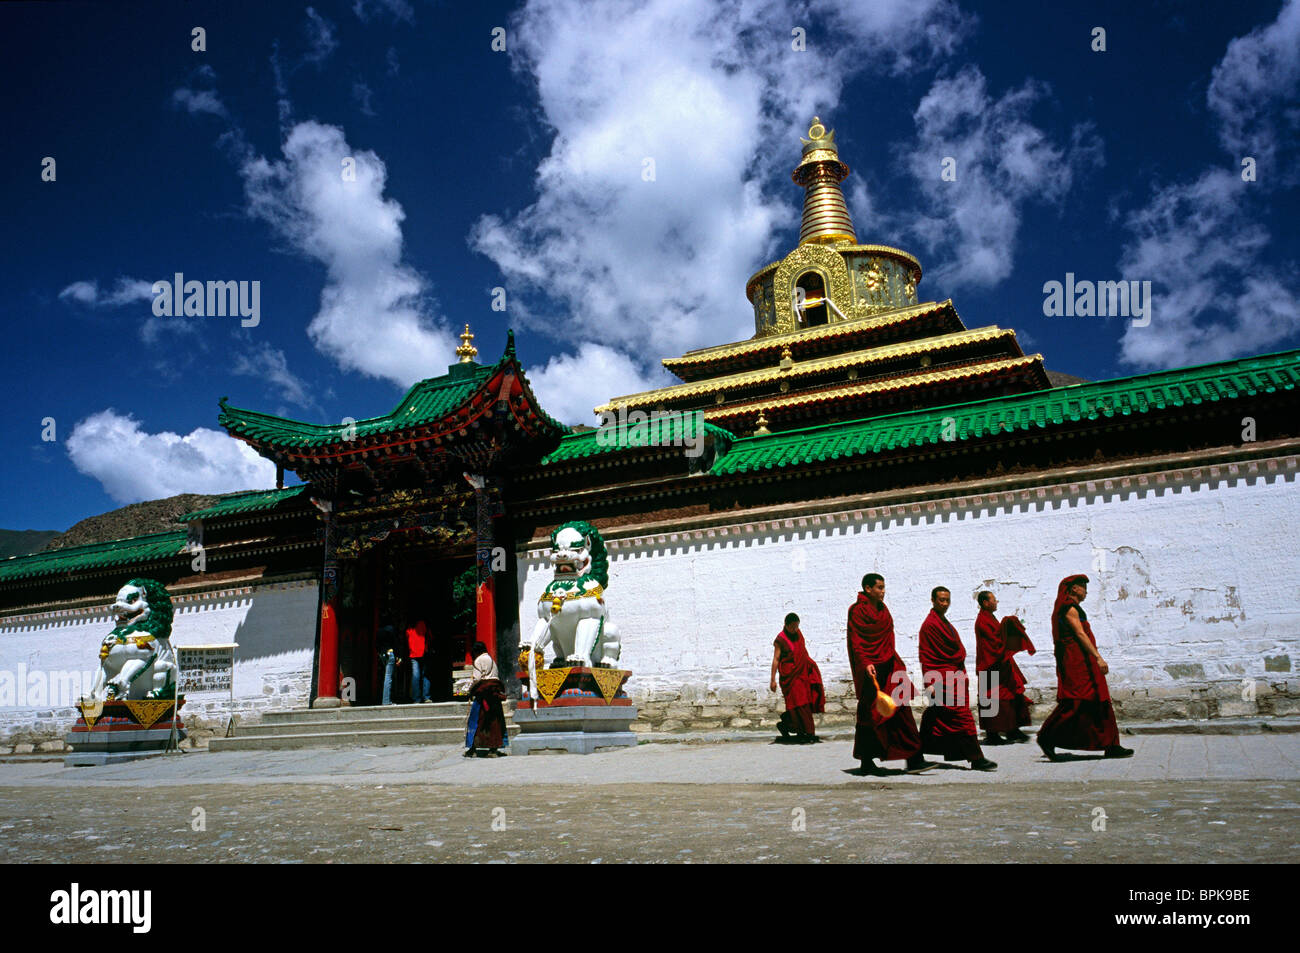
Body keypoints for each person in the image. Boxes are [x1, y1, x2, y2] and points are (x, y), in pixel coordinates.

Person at [847, 573, 937, 775]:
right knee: (870, 714)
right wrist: (865, 662)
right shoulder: (857, 611)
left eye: (883, 587)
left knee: (902, 710)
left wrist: (893, 660)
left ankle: (915, 758)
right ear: (868, 589)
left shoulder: (883, 609)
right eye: (879, 587)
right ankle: (867, 761)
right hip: (871, 671)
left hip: (890, 665)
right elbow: (856, 640)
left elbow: (888, 637)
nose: (883, 591)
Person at [1037, 574, 1134, 761]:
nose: (1085, 591)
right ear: (1073, 588)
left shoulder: (1073, 607)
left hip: (1083, 660)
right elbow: (1080, 634)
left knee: (1100, 699)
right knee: (1075, 700)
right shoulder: (1069, 608)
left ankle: (1111, 744)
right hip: (1076, 662)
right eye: (1083, 586)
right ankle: (1046, 737)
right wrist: (1098, 657)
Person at [918, 587, 997, 771]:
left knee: (935, 717)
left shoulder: (942, 621)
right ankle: (976, 758)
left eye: (947, 600)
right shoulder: (929, 625)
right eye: (941, 600)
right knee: (963, 716)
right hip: (942, 679)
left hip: (953, 677)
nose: (945, 604)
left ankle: (915, 753)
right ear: (933, 600)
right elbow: (926, 655)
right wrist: (929, 683)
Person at [974, 591, 1033, 744]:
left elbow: (999, 638)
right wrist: (1008, 625)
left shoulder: (990, 618)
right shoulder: (982, 621)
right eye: (994, 600)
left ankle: (1012, 730)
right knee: (992, 699)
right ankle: (992, 734)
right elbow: (994, 643)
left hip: (1000, 665)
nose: (996, 602)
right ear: (986, 603)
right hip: (989, 665)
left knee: (1011, 696)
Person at [769, 613, 825, 743]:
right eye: (792, 627)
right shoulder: (780, 640)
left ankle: (792, 726)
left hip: (801, 674)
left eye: (797, 626)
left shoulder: (798, 634)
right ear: (786, 625)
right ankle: (803, 733)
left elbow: (802, 652)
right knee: (798, 704)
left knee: (804, 703)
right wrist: (773, 680)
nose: (795, 629)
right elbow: (776, 659)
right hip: (790, 676)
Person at [464, 642, 508, 758]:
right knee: (495, 722)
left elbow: (477, 679)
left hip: (483, 695)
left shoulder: (478, 660)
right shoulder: (492, 661)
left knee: (476, 720)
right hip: (494, 695)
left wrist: (469, 690)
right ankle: (494, 749)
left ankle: (472, 749)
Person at [406, 618, 431, 704]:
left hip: (413, 653)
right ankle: (426, 697)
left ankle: (416, 698)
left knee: (415, 676)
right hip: (423, 651)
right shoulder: (423, 623)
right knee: (425, 675)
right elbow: (429, 636)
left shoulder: (409, 627)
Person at [376, 624, 398, 706]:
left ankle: (386, 700)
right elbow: (395, 643)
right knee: (388, 677)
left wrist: (380, 652)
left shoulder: (379, 631)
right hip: (390, 652)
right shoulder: (391, 629)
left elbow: (377, 644)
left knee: (386, 676)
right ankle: (386, 701)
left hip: (383, 653)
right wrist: (397, 655)